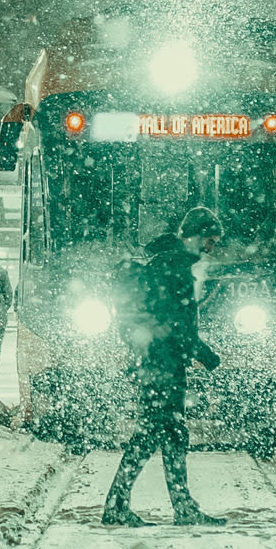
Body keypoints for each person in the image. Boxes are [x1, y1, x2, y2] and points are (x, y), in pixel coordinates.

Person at [102, 206, 226, 528]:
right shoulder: (174, 267)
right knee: (152, 435)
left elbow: (168, 321)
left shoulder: (166, 262)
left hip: (158, 362)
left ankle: (180, 506)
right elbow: (176, 324)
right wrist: (205, 354)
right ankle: (119, 505)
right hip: (163, 364)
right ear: (196, 235)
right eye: (209, 241)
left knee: (171, 434)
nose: (210, 248)